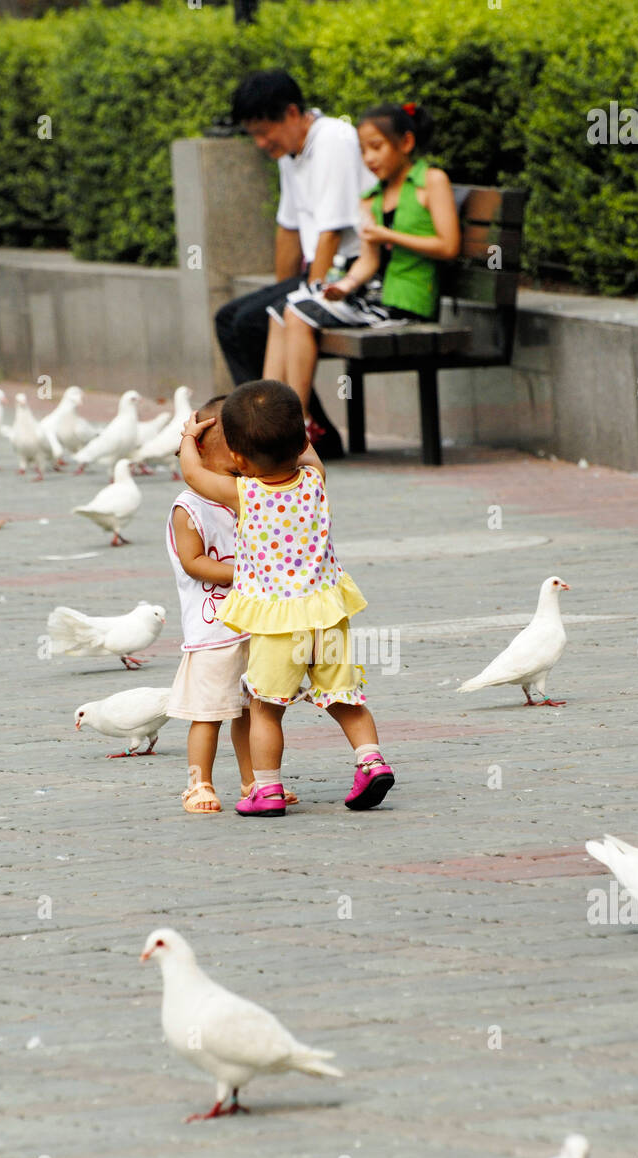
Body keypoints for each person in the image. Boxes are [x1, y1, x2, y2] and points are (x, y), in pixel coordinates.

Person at [178, 379, 395, 817]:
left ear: (237, 458)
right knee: (344, 697)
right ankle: (371, 760)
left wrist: (188, 436)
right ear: (301, 441)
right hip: (327, 615)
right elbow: (307, 453)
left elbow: (192, 475)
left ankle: (267, 789)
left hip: (277, 626)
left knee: (264, 708)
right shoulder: (316, 480)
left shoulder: (247, 494)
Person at [215, 69, 374, 459]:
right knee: (231, 318)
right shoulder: (291, 151)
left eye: (264, 130)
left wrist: (302, 298)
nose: (260, 142)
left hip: (353, 273)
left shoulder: (333, 139)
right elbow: (288, 228)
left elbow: (331, 232)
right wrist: (279, 293)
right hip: (322, 269)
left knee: (252, 320)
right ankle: (271, 432)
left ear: (292, 113)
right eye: (253, 133)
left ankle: (279, 436)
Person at [269, 103, 460, 418]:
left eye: (376, 147)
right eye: (363, 150)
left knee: (299, 315)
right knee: (282, 311)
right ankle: (268, 421)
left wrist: (390, 236)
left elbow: (448, 245)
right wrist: (343, 286)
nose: (368, 158)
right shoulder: (373, 196)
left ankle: (296, 424)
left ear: (406, 144)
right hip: (372, 298)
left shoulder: (431, 181)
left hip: (405, 305)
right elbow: (369, 261)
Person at [166, 396, 298, 814]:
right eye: (233, 437)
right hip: (212, 634)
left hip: (251, 626)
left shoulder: (245, 493)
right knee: (208, 714)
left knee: (250, 710)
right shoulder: (189, 507)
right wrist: (250, 569)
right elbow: (194, 562)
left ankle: (254, 782)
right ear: (201, 446)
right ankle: (198, 783)